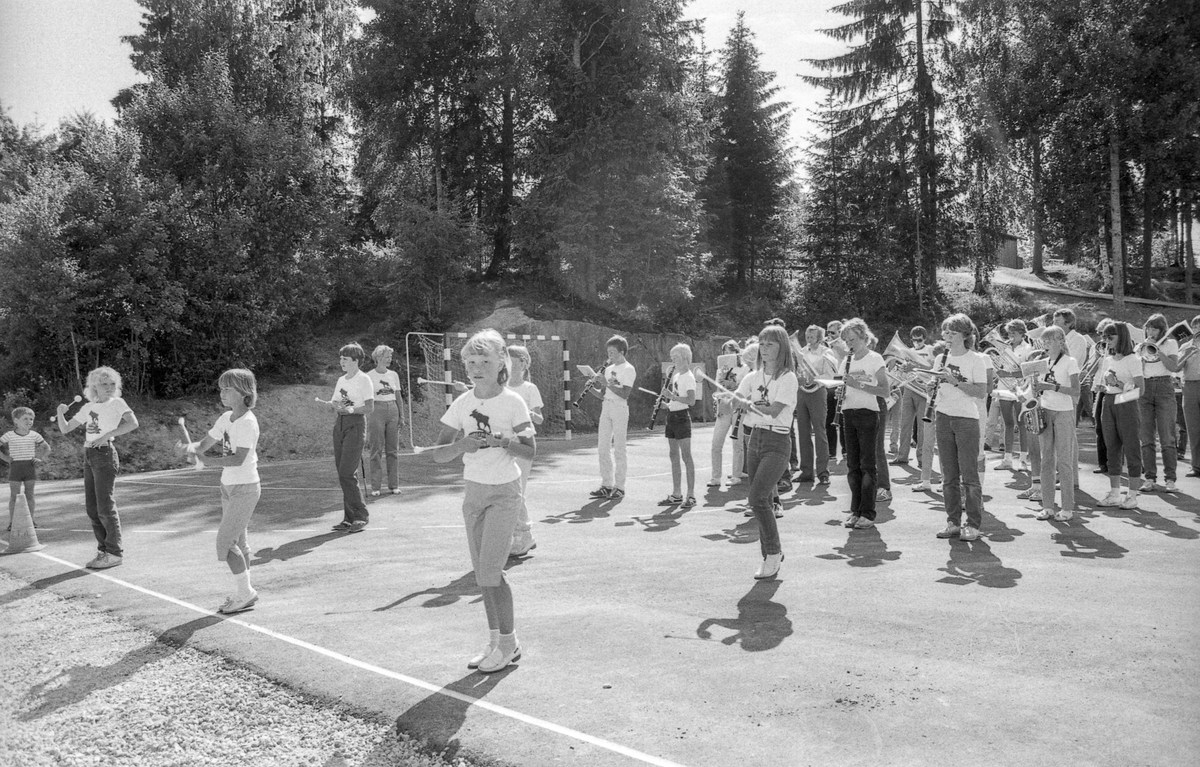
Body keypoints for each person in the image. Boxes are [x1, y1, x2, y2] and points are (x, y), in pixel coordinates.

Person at [431, 329, 535, 673]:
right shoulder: (462, 404)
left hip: (505, 493)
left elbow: (529, 450)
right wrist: (463, 445)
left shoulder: (513, 401)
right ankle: (494, 641)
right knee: (482, 575)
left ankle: (509, 643)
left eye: (485, 361)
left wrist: (501, 440)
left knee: (492, 572)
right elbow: (439, 455)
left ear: (501, 363)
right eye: (471, 362)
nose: (477, 368)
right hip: (473, 493)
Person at [178, 369, 263, 614]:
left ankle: (246, 593)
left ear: (244, 392)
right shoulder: (226, 417)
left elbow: (238, 459)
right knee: (240, 543)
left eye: (228, 389)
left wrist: (206, 461)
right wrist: (190, 449)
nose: (222, 393)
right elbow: (204, 444)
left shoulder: (248, 422)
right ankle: (243, 593)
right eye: (221, 388)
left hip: (245, 488)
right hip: (228, 486)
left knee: (225, 543)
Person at [731, 325, 798, 579]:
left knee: (757, 498)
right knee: (764, 501)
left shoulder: (788, 378)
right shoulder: (753, 375)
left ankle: (773, 553)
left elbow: (774, 410)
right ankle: (769, 554)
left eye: (770, 344)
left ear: (782, 347)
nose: (764, 349)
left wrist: (747, 404)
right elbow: (736, 397)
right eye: (762, 344)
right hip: (755, 438)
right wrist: (732, 400)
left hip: (777, 440)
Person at [57, 367, 139, 569]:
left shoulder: (117, 403)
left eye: (113, 384)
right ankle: (103, 550)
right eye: (104, 384)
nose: (109, 387)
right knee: (92, 509)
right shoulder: (88, 407)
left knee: (105, 506)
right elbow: (66, 428)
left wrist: (107, 434)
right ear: (94, 386)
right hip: (90, 455)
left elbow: (133, 423)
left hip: (104, 453)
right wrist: (60, 414)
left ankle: (114, 552)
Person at [931, 315, 989, 541]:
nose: (946, 336)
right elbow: (937, 387)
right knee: (948, 475)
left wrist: (954, 381)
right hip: (943, 415)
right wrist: (931, 386)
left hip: (966, 419)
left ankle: (973, 524)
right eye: (945, 332)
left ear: (964, 335)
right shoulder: (939, 359)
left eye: (952, 333)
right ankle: (952, 521)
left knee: (970, 476)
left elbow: (981, 392)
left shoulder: (976, 359)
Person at [836, 319, 890, 529]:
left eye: (852, 339)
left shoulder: (874, 358)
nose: (849, 343)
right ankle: (855, 510)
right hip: (848, 412)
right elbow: (843, 385)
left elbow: (884, 391)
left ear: (863, 337)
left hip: (868, 413)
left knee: (868, 465)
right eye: (846, 340)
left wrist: (859, 385)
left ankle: (868, 512)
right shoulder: (846, 360)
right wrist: (841, 392)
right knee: (852, 465)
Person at [320, 343, 374, 533]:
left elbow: (369, 407)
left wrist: (349, 409)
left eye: (345, 359)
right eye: (341, 358)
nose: (341, 361)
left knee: (346, 472)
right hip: (340, 425)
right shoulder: (342, 380)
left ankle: (361, 516)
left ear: (356, 361)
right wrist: (331, 405)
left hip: (356, 424)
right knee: (344, 472)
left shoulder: (364, 379)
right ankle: (349, 517)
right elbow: (336, 401)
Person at [1030, 327, 1081, 521]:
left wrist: (1052, 387)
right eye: (1044, 342)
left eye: (1049, 341)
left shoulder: (1070, 362)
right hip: (1045, 410)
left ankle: (1067, 508)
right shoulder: (1044, 362)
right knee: (1046, 460)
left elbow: (1076, 390)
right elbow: (1039, 389)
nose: (1046, 345)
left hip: (1064, 413)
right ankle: (1048, 507)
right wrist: (1036, 389)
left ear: (1060, 341)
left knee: (1064, 461)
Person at [1096, 323, 1145, 510]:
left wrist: (1118, 391)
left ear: (1121, 337)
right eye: (1105, 337)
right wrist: (1106, 389)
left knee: (1132, 448)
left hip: (1125, 405)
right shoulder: (1108, 359)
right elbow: (1110, 384)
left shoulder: (1133, 359)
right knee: (1111, 448)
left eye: (1110, 337)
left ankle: (1132, 495)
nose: (1106, 341)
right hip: (1108, 402)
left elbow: (1141, 390)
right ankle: (1115, 493)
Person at [507, 345, 543, 556]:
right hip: (504, 444)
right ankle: (516, 536)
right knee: (508, 491)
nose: (506, 363)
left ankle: (525, 535)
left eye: (511, 359)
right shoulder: (500, 386)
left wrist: (526, 411)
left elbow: (539, 418)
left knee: (517, 491)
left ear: (522, 362)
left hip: (524, 444)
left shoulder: (530, 389)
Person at [1138, 313, 1181, 492]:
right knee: (1146, 437)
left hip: (1164, 386)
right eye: (1148, 327)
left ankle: (1170, 479)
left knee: (1167, 437)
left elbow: (1174, 367)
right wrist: (1140, 355)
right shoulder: (1141, 345)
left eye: (1154, 328)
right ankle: (1149, 478)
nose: (1151, 331)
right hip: (1145, 388)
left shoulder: (1170, 343)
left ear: (1162, 329)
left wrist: (1157, 349)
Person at [590, 336, 635, 500]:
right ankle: (606, 484)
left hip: (619, 407)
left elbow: (624, 393)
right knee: (603, 447)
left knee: (619, 448)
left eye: (612, 352)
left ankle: (620, 486)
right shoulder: (608, 369)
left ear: (621, 352)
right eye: (608, 352)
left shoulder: (628, 369)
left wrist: (606, 383)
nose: (609, 355)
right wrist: (592, 388)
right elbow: (604, 395)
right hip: (607, 406)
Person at [658, 344, 698, 507]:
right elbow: (675, 400)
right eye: (672, 357)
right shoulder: (675, 377)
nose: (672, 360)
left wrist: (672, 396)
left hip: (682, 418)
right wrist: (666, 404)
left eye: (676, 357)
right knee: (673, 455)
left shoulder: (688, 376)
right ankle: (676, 493)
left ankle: (691, 495)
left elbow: (691, 400)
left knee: (686, 456)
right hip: (672, 417)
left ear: (685, 359)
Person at [795, 326, 835, 485]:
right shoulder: (801, 352)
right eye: (807, 335)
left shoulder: (827, 352)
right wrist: (798, 378)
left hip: (818, 391)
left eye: (812, 336)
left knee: (820, 431)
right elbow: (797, 370)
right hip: (802, 392)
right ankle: (806, 471)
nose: (809, 338)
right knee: (803, 431)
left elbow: (831, 374)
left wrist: (815, 378)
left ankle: (823, 472)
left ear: (819, 338)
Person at [1, 407, 50, 531]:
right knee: (14, 496)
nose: (29, 421)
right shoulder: (9, 435)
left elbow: (46, 447)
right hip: (15, 468)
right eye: (25, 418)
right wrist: (5, 458)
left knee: (30, 495)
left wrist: (40, 458)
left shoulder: (34, 435)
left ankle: (30, 520)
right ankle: (12, 522)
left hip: (30, 468)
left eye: (31, 419)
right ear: (16, 421)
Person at [891, 325, 934, 467]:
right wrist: (903, 369)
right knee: (905, 424)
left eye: (920, 340)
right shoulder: (908, 352)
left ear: (925, 338)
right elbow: (904, 371)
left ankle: (922, 458)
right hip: (910, 388)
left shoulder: (930, 350)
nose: (917, 342)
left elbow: (933, 369)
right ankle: (902, 456)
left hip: (923, 390)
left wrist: (915, 367)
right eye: (914, 340)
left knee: (922, 427)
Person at [710, 340, 749, 488]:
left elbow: (745, 388)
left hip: (737, 406)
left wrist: (733, 385)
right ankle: (715, 477)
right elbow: (718, 388)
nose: (728, 354)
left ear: (737, 352)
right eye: (725, 352)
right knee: (716, 443)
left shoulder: (744, 369)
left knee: (737, 443)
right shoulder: (720, 369)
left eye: (731, 351)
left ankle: (736, 475)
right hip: (724, 406)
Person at [995, 320, 1032, 471]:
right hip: (1004, 387)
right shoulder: (1004, 347)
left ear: (1022, 333)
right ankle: (1007, 459)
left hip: (1020, 388)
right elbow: (998, 365)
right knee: (1007, 423)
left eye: (1014, 333)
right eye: (1009, 333)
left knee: (1022, 422)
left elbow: (1027, 370)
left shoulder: (1028, 348)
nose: (1011, 336)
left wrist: (1009, 373)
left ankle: (1023, 459)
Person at [366, 345, 403, 497]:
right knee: (376, 449)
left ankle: (393, 485)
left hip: (392, 409)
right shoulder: (369, 376)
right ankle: (376, 486)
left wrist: (402, 416)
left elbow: (398, 396)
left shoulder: (393, 375)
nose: (390, 359)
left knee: (392, 450)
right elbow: (367, 398)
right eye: (387, 356)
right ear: (379, 358)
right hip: (377, 410)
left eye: (390, 356)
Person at [1090, 319, 1116, 475]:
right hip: (1099, 388)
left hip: (1115, 389)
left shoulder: (1119, 348)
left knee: (1120, 427)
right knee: (1100, 427)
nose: (1102, 337)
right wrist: (1098, 356)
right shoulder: (1098, 347)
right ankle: (1102, 462)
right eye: (1100, 333)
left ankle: (1129, 462)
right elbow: (1091, 371)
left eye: (1105, 334)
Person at [825, 319, 848, 462]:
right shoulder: (825, 346)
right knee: (829, 419)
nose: (830, 335)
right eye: (828, 332)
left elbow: (846, 356)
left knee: (844, 419)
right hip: (829, 384)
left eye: (832, 332)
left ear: (840, 332)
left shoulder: (844, 344)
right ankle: (831, 452)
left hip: (841, 383)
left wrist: (834, 344)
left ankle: (846, 450)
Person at [1181, 316, 1200, 478]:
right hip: (1190, 386)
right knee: (1193, 428)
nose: (1198, 329)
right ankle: (1196, 465)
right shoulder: (1186, 346)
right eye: (1195, 327)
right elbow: (1177, 367)